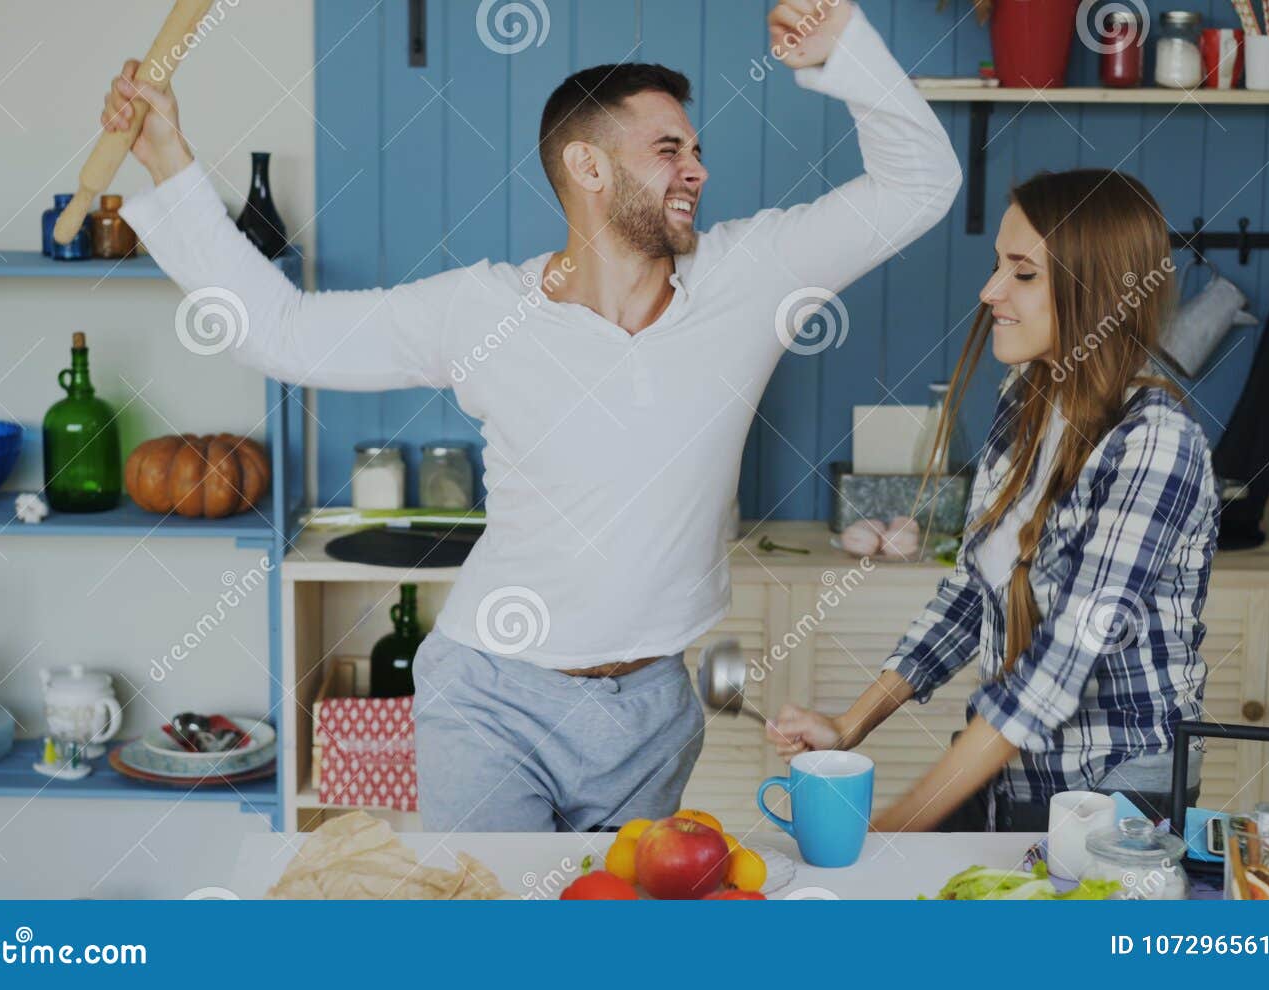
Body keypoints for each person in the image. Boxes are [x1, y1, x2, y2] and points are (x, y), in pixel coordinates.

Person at [101, 0, 961, 831]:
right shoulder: (482, 313)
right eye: (668, 150)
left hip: (655, 709)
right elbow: (280, 331)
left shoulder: (752, 277)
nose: (696, 169)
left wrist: (841, 45)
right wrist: (170, 160)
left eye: (697, 149)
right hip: (492, 700)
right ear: (588, 167)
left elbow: (921, 184)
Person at [769, 169, 1221, 832]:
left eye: (1023, 273)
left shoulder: (1155, 444)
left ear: (1097, 290)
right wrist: (849, 723)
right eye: (995, 267)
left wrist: (897, 826)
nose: (989, 293)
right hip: (1015, 765)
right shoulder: (1025, 401)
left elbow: (1060, 666)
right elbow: (973, 590)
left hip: (1117, 785)